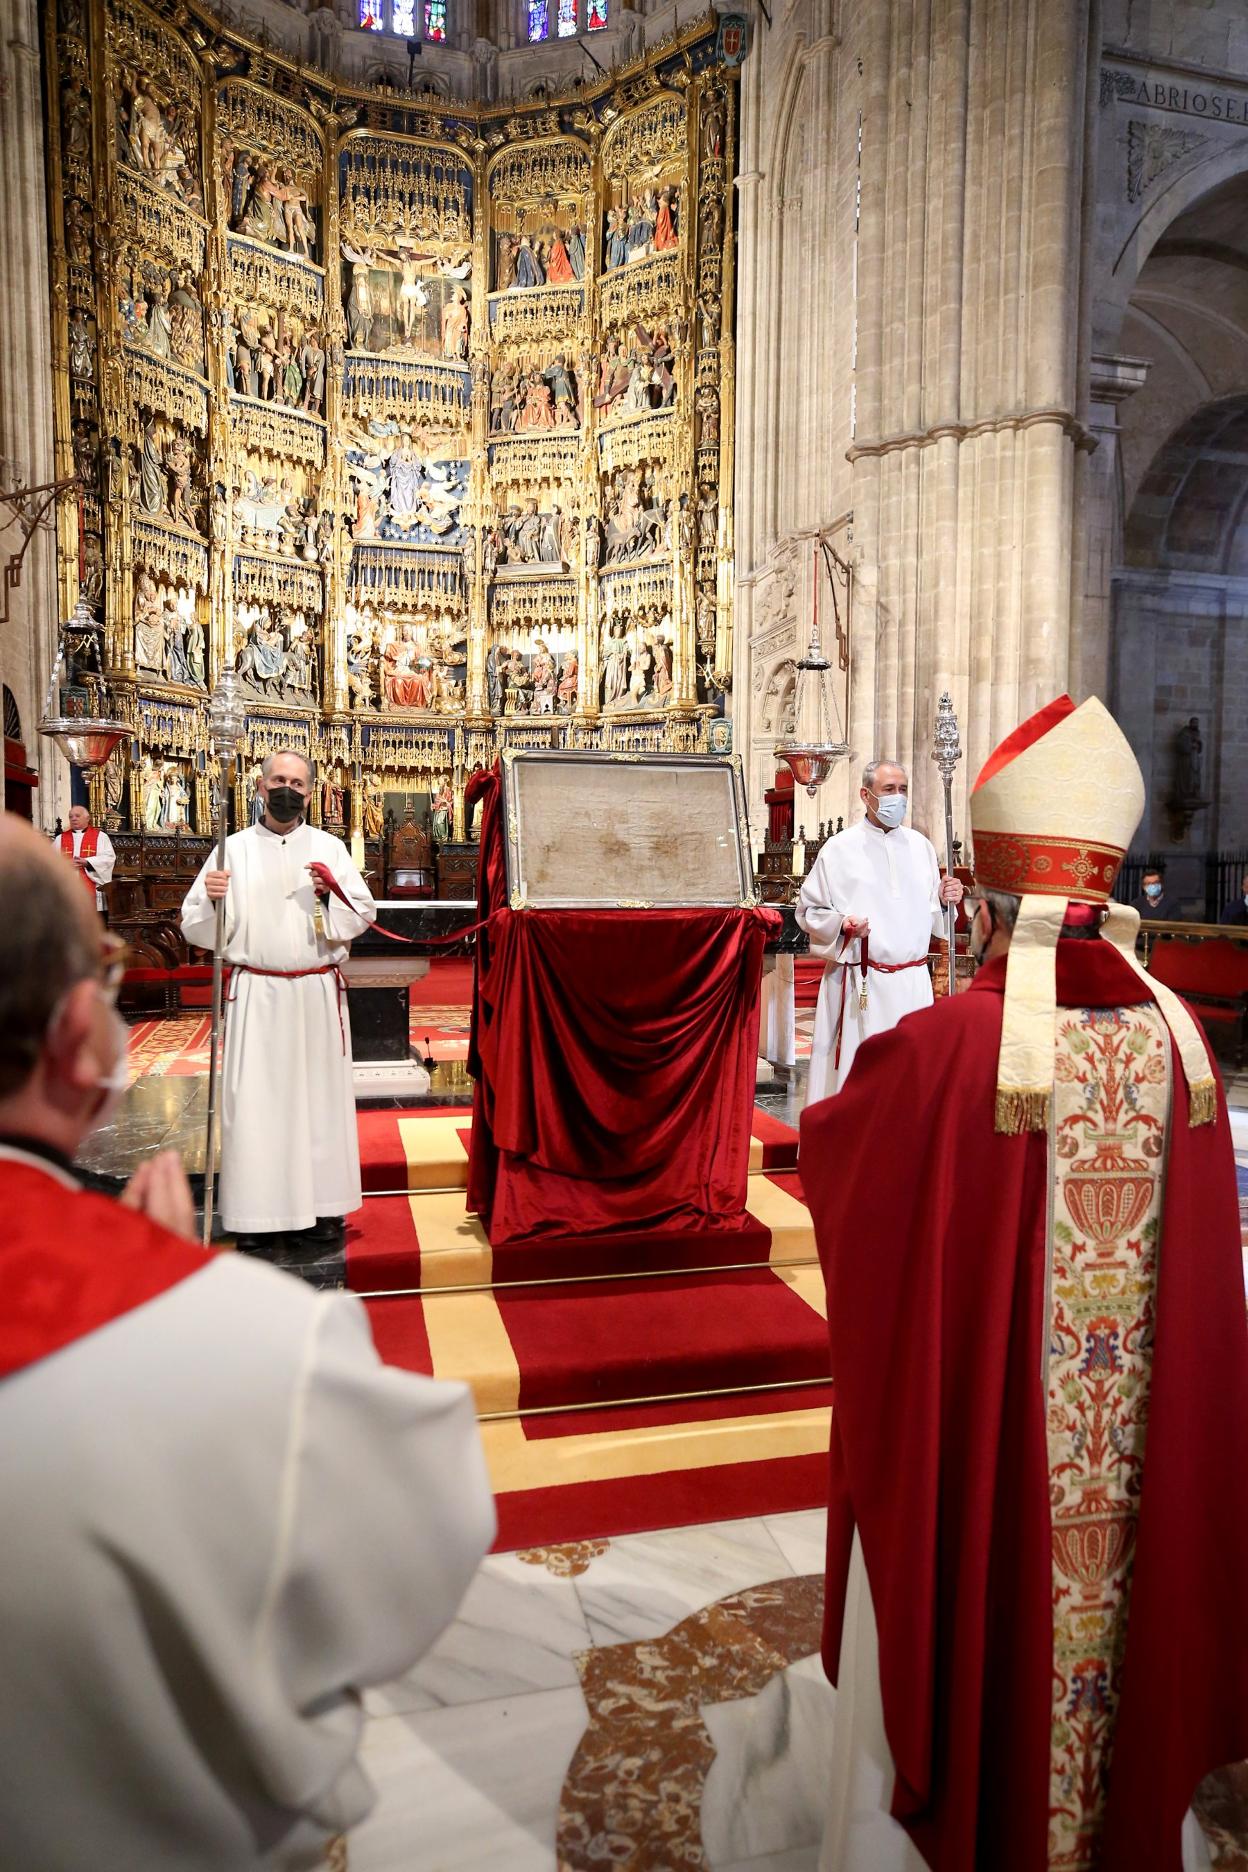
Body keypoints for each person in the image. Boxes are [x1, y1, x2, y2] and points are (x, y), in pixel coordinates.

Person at [802, 696, 1248, 1872]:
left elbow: (838, 1163)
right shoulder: (1189, 1049)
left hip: (1006, 1506)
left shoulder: (951, 1052)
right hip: (1137, 1508)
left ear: (990, 905)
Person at [0, 811, 494, 1870]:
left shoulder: (323, 849)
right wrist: (167, 1286)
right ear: (85, 1036)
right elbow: (425, 1543)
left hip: (303, 1003)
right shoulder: (246, 1341)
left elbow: (356, 921)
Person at [181, 749, 376, 1259]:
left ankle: (323, 1210)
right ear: (261, 788)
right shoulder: (232, 850)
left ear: (311, 791)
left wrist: (332, 895)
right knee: (257, 1107)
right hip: (257, 996)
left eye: (297, 782)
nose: (287, 789)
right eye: (278, 780)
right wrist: (212, 898)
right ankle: (257, 1217)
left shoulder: (331, 849)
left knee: (319, 1103)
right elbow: (196, 924)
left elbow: (362, 915)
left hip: (315, 992)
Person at [796, 759, 963, 1100]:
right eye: (889, 790)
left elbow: (940, 922)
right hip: (861, 983)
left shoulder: (921, 847)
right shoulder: (839, 849)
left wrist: (950, 899)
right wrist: (841, 925)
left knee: (910, 1081)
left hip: (913, 985)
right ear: (865, 794)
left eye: (903, 790)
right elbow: (809, 910)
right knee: (860, 1084)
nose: (898, 798)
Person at [54, 800, 115, 914]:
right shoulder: (60, 839)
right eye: (71, 816)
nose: (73, 819)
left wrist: (88, 862)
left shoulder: (101, 837)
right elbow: (49, 860)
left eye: (77, 816)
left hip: (93, 887)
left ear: (87, 818)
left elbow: (109, 858)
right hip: (67, 889)